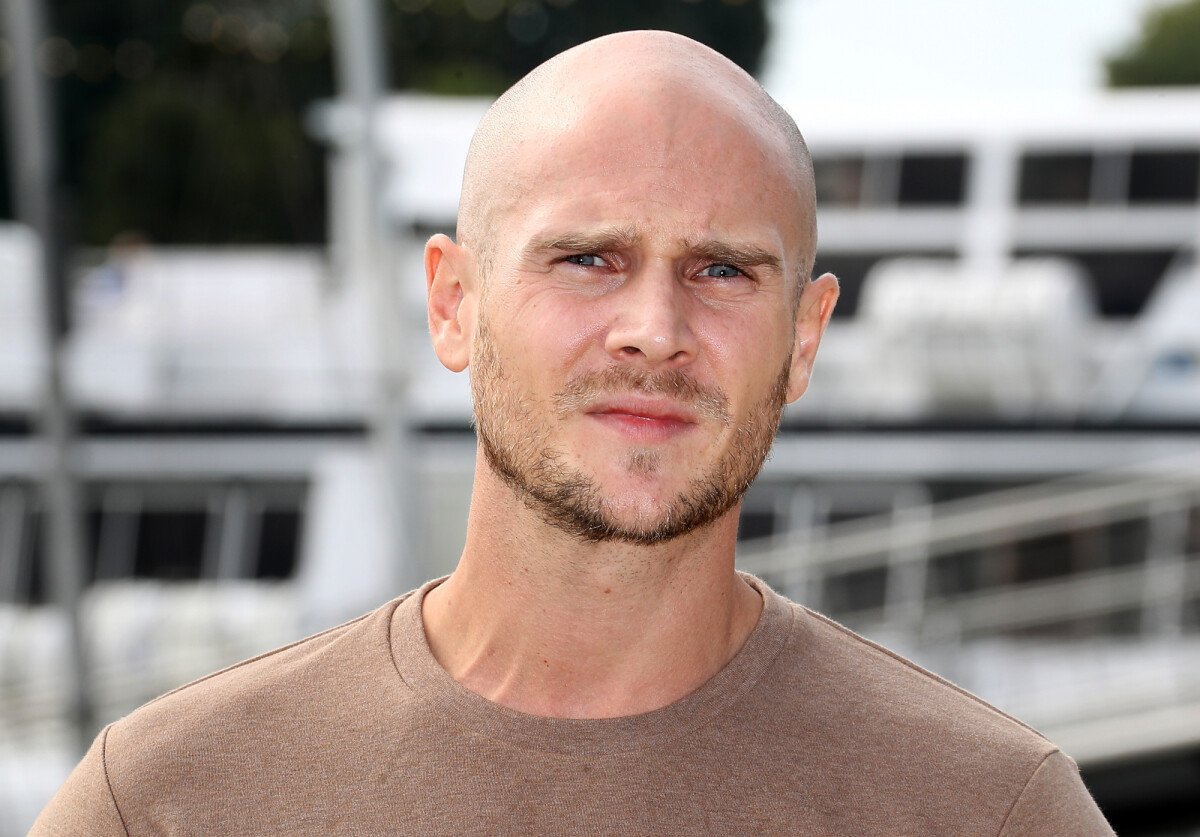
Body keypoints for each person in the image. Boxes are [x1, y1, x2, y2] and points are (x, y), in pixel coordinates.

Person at [33, 30, 1114, 835]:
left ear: (804, 337)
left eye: (722, 270)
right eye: (588, 258)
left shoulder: (991, 810)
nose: (655, 330)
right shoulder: (169, 802)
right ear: (453, 303)